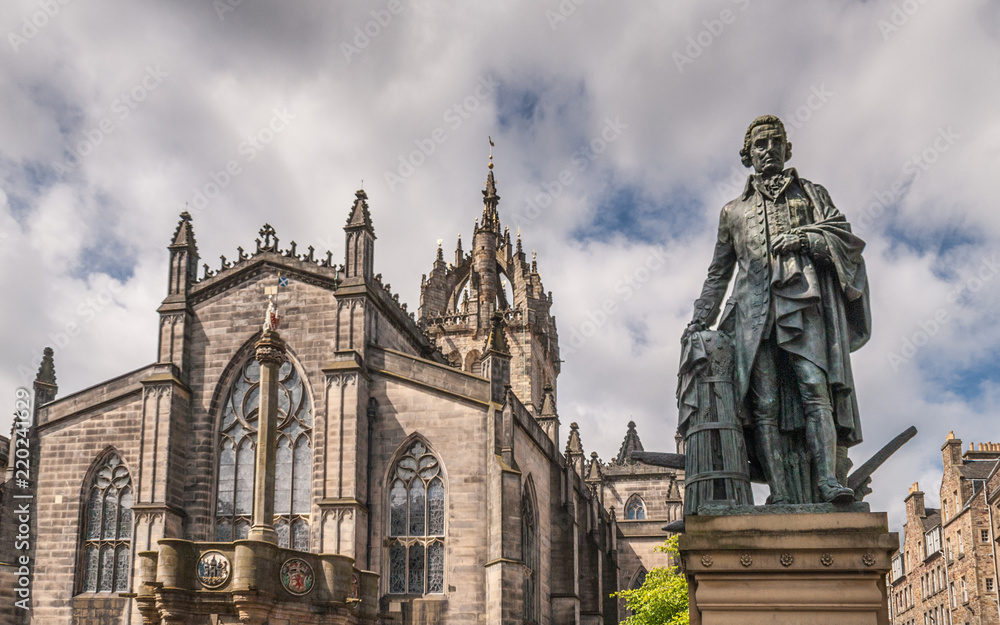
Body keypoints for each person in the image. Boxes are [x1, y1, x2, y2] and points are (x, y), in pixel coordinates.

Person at [683, 115, 871, 504]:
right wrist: (700, 319)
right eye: (760, 145)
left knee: (815, 390)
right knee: (763, 404)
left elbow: (844, 238)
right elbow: (719, 273)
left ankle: (827, 481)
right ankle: (782, 494)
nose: (768, 150)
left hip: (803, 307)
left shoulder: (812, 194)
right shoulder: (732, 211)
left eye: (775, 143)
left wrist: (805, 238)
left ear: (787, 149)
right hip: (752, 316)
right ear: (747, 155)